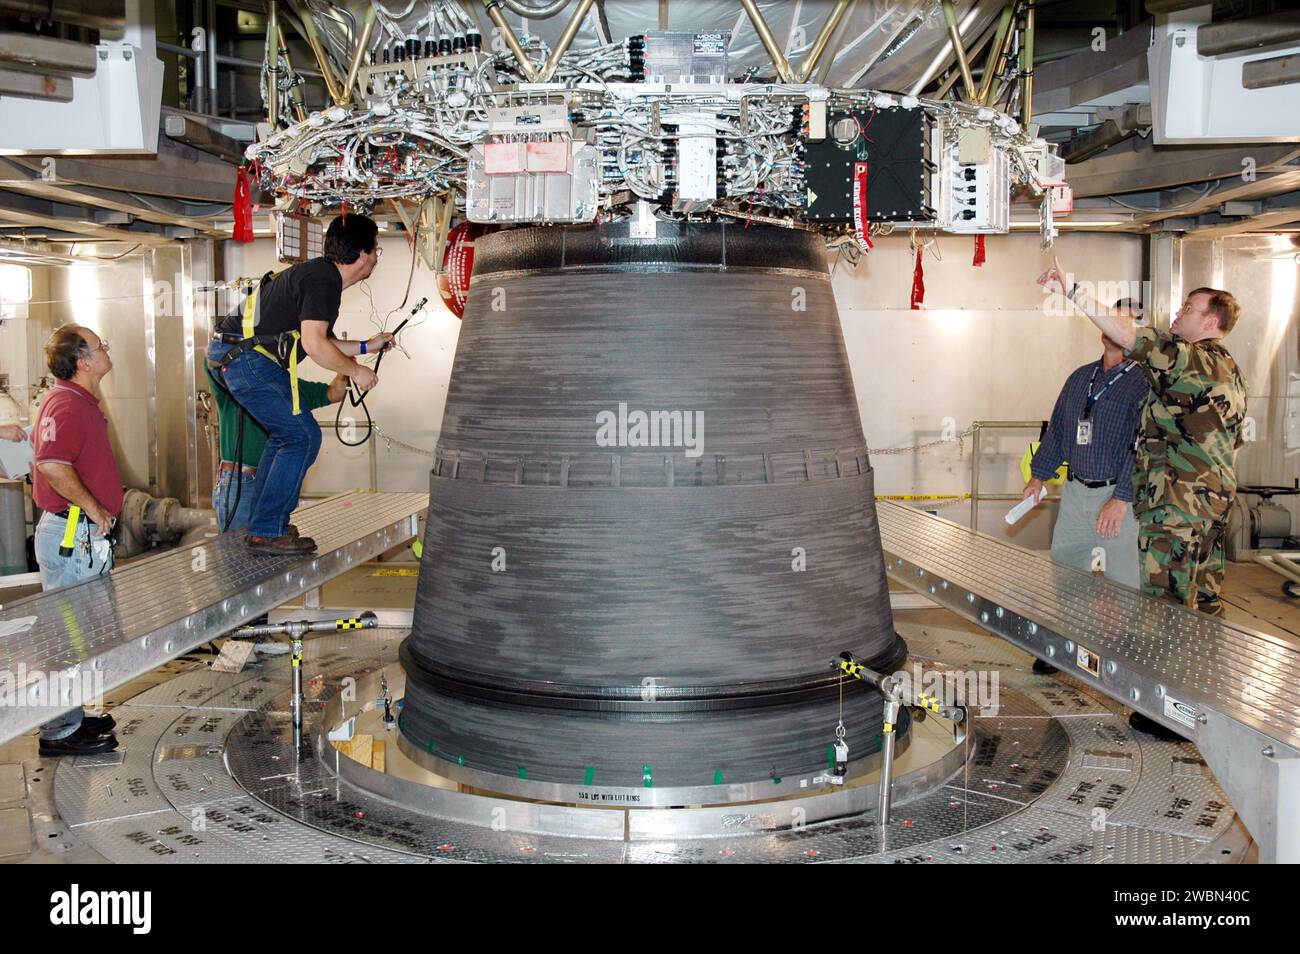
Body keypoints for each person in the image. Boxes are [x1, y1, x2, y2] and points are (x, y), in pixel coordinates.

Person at [206, 214, 393, 555]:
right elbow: (313, 345)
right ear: (365, 254)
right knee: (303, 435)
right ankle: (266, 529)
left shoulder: (319, 276)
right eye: (377, 250)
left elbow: (322, 340)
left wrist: (368, 346)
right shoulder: (323, 281)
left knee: (288, 435)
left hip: (237, 354)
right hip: (245, 358)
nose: (377, 258)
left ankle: (266, 525)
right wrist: (356, 371)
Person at [1023, 299, 1149, 673]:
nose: (1112, 324)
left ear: (1137, 335)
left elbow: (1141, 446)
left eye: (1123, 321)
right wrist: (1038, 475)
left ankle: (1125, 661)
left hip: (1117, 498)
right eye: (1110, 316)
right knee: (1067, 569)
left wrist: (1122, 497)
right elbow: (1059, 430)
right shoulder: (1081, 377)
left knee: (1124, 581)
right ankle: (1067, 647)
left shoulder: (1145, 383)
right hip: (1076, 493)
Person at [29, 325, 123, 756]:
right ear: (84, 362)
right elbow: (51, 464)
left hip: (80, 535)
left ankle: (69, 717)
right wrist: (94, 507)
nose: (107, 349)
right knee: (65, 634)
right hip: (71, 534)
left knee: (79, 631)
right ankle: (59, 732)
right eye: (100, 345)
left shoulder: (78, 401)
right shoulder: (67, 404)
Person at [205, 366, 348, 533]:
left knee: (268, 550)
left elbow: (334, 392)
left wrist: (347, 364)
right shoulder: (235, 379)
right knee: (239, 552)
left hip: (273, 482)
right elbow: (212, 360)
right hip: (241, 482)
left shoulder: (285, 387)